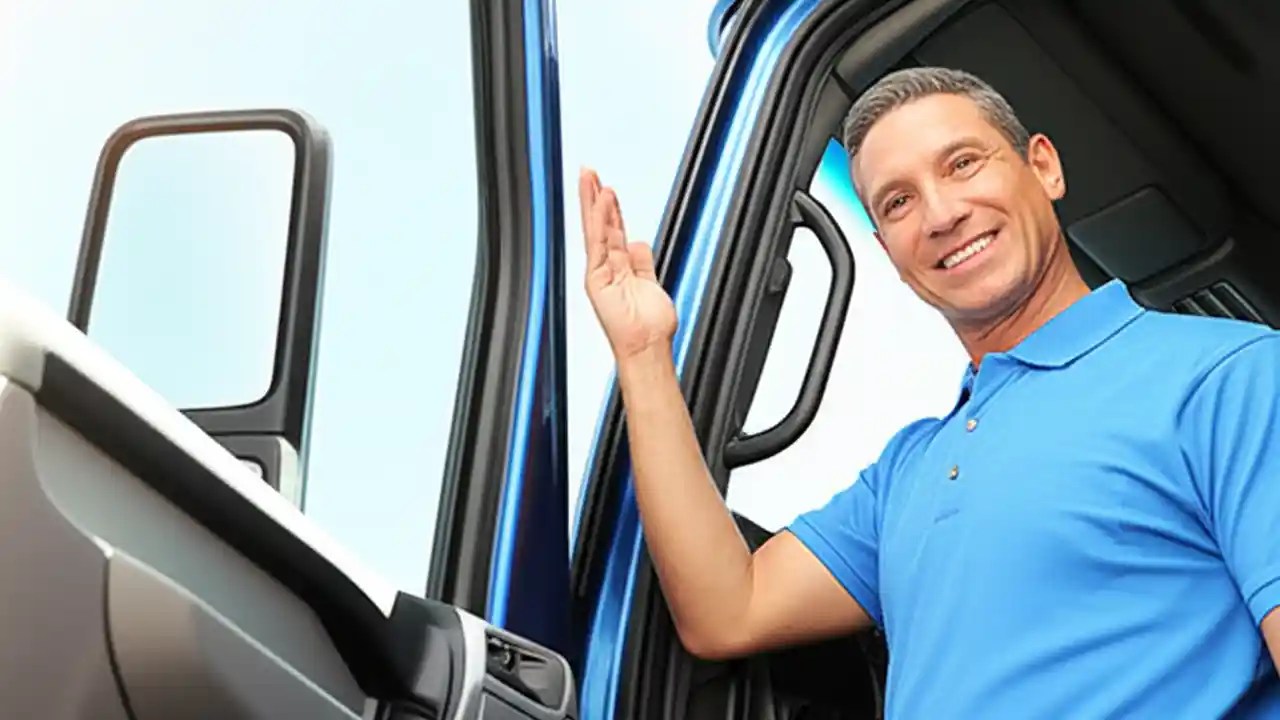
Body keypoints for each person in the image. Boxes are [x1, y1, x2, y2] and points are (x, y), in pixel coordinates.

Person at [578, 66, 1280, 717]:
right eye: (899, 201)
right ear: (887, 250)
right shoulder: (907, 470)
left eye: (963, 163)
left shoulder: (1231, 375)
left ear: (1044, 166)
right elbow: (729, 610)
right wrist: (643, 355)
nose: (941, 215)